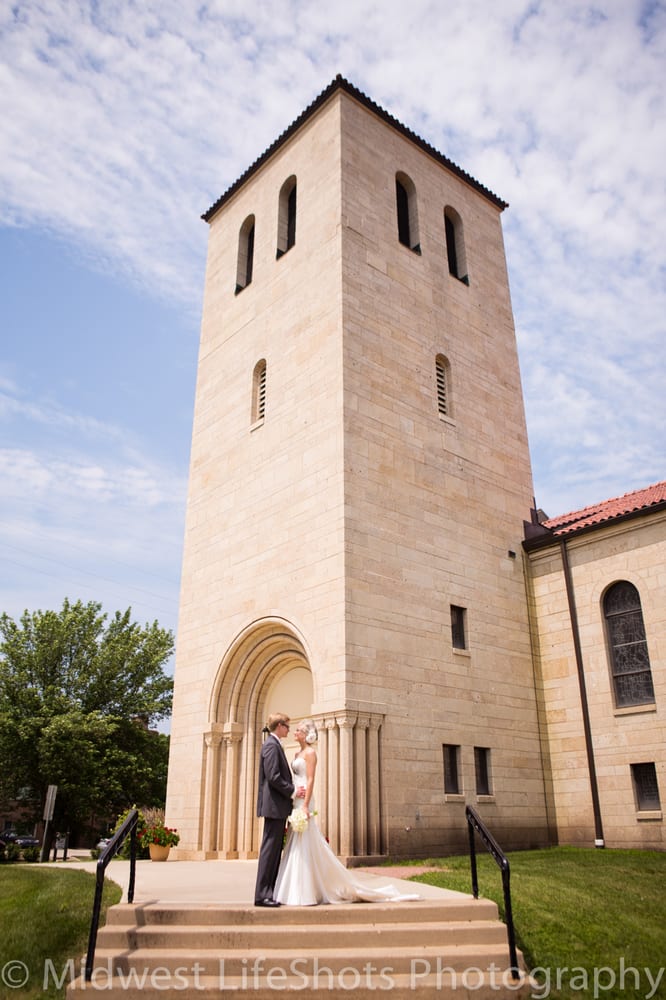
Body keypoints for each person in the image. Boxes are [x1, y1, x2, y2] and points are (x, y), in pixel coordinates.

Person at [274, 719, 420, 905]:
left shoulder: (311, 753)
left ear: (307, 734)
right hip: (296, 797)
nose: (295, 732)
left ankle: (307, 889)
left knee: (305, 840)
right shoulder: (296, 753)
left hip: (305, 800)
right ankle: (297, 886)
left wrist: (305, 804)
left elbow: (310, 780)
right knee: (296, 840)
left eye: (299, 730)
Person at [254, 712, 299, 907]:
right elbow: (273, 776)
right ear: (279, 726)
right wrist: (293, 791)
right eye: (287, 726)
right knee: (269, 851)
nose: (288, 730)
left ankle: (269, 892)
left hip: (277, 806)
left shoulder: (273, 745)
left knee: (273, 852)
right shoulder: (271, 746)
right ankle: (262, 895)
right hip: (274, 806)